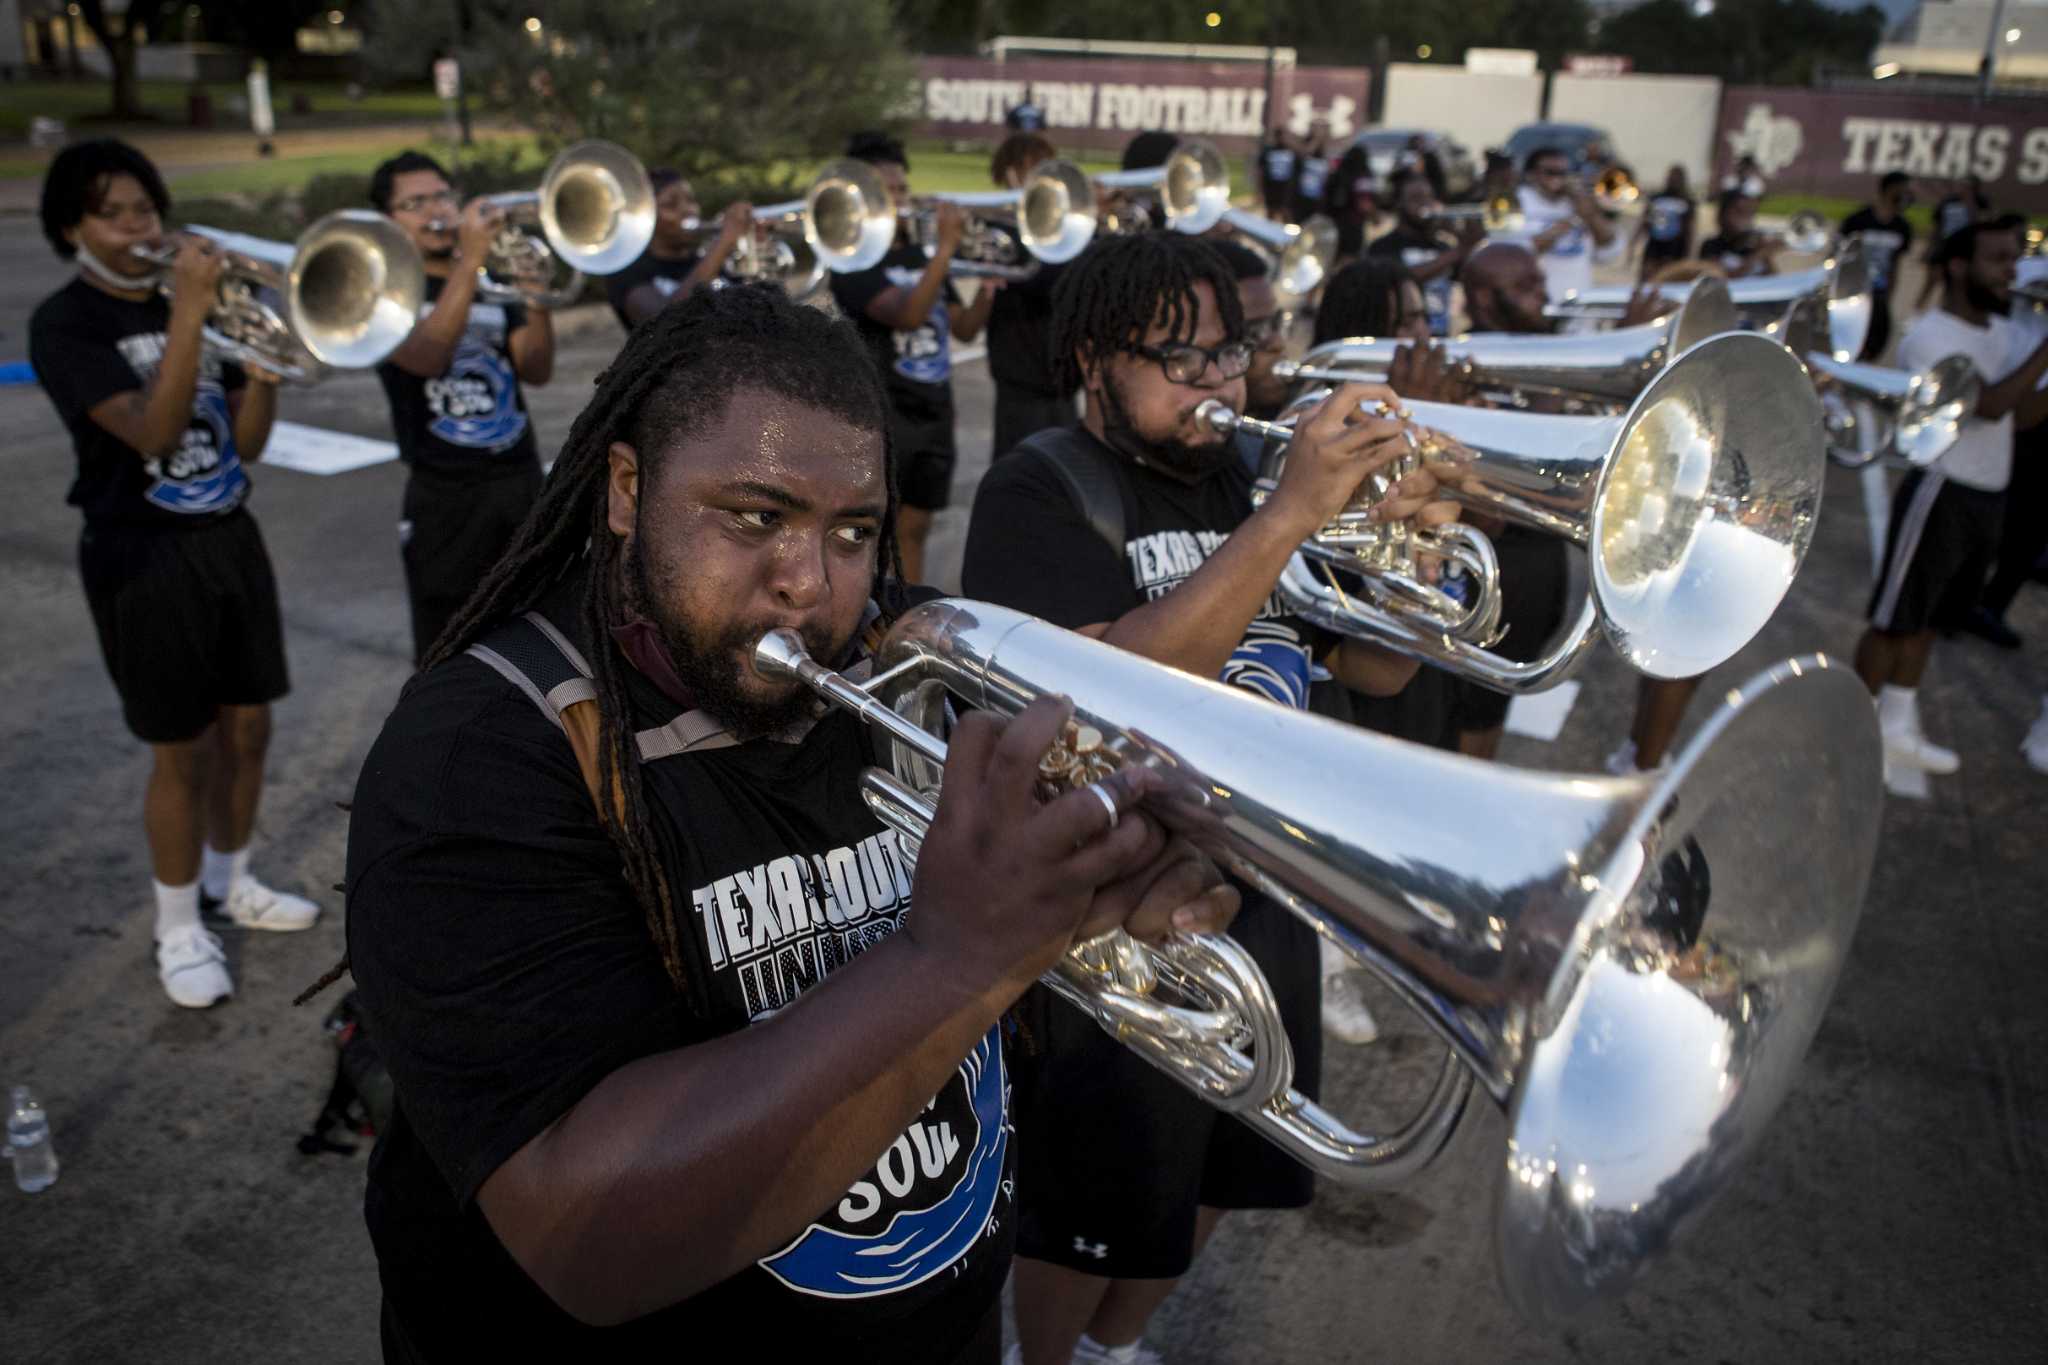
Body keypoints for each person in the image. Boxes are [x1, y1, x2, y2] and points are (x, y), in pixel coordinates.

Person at [342, 282, 1239, 1363]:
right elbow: (583, 1233)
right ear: (626, 489)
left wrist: (1095, 890)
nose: (809, 587)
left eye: (852, 531)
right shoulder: (480, 752)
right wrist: (958, 956)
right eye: (755, 517)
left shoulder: (898, 671)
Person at [959, 231, 1456, 1365]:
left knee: (1237, 1152)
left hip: (1270, 881)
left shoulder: (1246, 474)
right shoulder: (1041, 486)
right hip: (1117, 915)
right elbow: (1099, 690)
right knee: (1091, 1200)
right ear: (1093, 359)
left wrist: (1413, 561)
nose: (1220, 385)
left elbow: (1374, 670)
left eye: (1234, 353)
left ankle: (1112, 1350)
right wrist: (1283, 519)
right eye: (1180, 361)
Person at [28, 139, 319, 1010]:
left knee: (249, 729)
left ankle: (234, 882)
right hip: (140, 551)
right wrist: (188, 307)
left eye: (145, 208)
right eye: (112, 213)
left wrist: (262, 372)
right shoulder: (66, 323)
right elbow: (152, 434)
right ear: (71, 226)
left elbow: (250, 440)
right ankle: (177, 923)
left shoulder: (198, 303)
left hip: (228, 534)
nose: (137, 226)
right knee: (182, 748)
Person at [1857, 222, 2048, 794]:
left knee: (1933, 620)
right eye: (1997, 260)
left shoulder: (2005, 332)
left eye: (2015, 261)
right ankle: (1853, 723)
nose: (2011, 273)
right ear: (1959, 266)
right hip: (1940, 489)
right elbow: (1987, 405)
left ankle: (1896, 722)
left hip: (1988, 493)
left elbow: (2026, 416)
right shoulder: (1930, 335)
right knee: (1894, 620)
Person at [370, 149, 555, 665]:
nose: (436, 210)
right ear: (390, 221)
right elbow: (428, 357)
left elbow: (536, 369)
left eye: (442, 196)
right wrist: (471, 259)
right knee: (449, 657)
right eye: (416, 202)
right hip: (445, 500)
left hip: (519, 483)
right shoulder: (381, 293)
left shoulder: (492, 283)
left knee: (538, 643)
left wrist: (535, 297)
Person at [827, 131, 996, 585]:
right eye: (889, 191)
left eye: (903, 188)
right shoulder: (853, 260)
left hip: (934, 407)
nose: (902, 198)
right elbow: (908, 315)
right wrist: (944, 249)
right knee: (882, 533)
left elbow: (963, 328)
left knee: (917, 527)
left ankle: (907, 620)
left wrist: (989, 285)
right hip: (885, 410)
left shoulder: (921, 253)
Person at [1445, 242, 1578, 760]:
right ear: (1481, 297)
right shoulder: (1461, 364)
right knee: (1470, 716)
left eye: (1539, 283)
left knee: (1495, 706)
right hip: (1491, 565)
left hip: (1544, 558)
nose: (1542, 297)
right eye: (1524, 287)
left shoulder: (1555, 352)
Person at [985, 131, 1076, 458]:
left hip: (1060, 377)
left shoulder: (1059, 228)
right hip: (1020, 378)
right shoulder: (1000, 228)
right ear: (1010, 174)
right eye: (1032, 168)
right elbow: (1046, 282)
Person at [606, 170, 753, 330]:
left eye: (691, 201)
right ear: (645, 216)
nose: (689, 210)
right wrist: (723, 244)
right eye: (670, 204)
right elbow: (665, 323)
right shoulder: (626, 270)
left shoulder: (718, 263)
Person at [1367, 171, 1483, 336]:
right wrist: (1458, 252)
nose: (1424, 203)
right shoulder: (1383, 247)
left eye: (1429, 197)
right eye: (1416, 198)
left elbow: (1471, 281)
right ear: (1399, 203)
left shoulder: (1444, 246)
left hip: (1441, 335)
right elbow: (1401, 279)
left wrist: (1463, 240)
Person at [1511, 146, 1623, 310]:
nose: (1558, 178)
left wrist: (1590, 214)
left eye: (1563, 173)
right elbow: (1522, 252)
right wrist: (1573, 221)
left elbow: (1609, 249)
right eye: (1550, 172)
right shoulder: (1519, 202)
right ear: (1532, 174)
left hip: (1579, 304)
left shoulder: (1578, 201)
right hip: (1535, 306)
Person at [1840, 171, 1915, 363]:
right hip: (1853, 291)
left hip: (1878, 293)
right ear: (1889, 190)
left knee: (1873, 342)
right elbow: (1839, 258)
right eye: (1902, 191)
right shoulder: (1857, 221)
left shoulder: (1902, 227)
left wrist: (1888, 296)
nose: (1906, 196)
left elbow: (1895, 266)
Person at [1917, 176, 1992, 312]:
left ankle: (1944, 310)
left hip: (1964, 248)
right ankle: (1918, 309)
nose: (1962, 188)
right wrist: (1929, 247)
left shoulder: (1980, 203)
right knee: (1932, 278)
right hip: (1945, 245)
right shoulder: (1948, 202)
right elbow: (1937, 226)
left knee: (1954, 283)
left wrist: (1969, 200)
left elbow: (1981, 224)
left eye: (1967, 186)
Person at [1697, 190, 1781, 279]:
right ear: (1723, 213)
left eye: (1750, 212)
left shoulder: (1754, 245)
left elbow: (1772, 278)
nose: (1745, 217)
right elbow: (1724, 278)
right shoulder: (1711, 245)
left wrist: (1768, 256)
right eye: (1739, 212)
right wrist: (1759, 255)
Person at [1635, 165, 1697, 282]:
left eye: (1676, 177)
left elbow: (1690, 228)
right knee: (1648, 280)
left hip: (1677, 247)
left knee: (1673, 279)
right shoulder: (1656, 198)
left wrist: (1689, 253)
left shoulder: (1687, 201)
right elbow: (1644, 221)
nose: (1673, 180)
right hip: (1654, 246)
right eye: (1671, 176)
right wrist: (1634, 242)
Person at [1292, 119, 1333, 227]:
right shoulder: (1305, 159)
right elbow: (1304, 154)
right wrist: (1315, 139)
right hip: (1302, 198)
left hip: (1317, 199)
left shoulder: (1324, 161)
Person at [1257, 125, 1297, 222]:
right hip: (1271, 187)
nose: (1282, 138)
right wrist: (1260, 190)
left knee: (1286, 212)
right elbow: (1260, 171)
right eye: (1279, 136)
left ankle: (1287, 235)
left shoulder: (1291, 151)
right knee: (1271, 213)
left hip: (1286, 188)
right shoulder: (1268, 151)